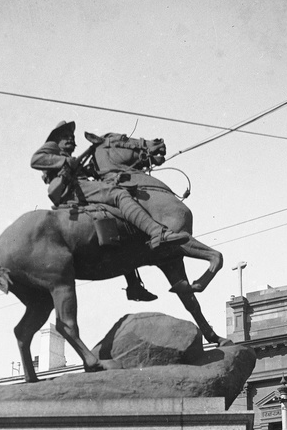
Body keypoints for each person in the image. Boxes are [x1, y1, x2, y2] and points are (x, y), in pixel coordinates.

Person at [31, 121, 189, 301]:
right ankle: (157, 232)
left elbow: (84, 171)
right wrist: (65, 161)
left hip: (79, 190)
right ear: (56, 139)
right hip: (72, 190)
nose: (70, 139)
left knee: (121, 220)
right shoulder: (53, 149)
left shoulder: (73, 159)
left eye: (72, 137)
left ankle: (134, 285)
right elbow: (35, 160)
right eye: (65, 136)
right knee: (118, 195)